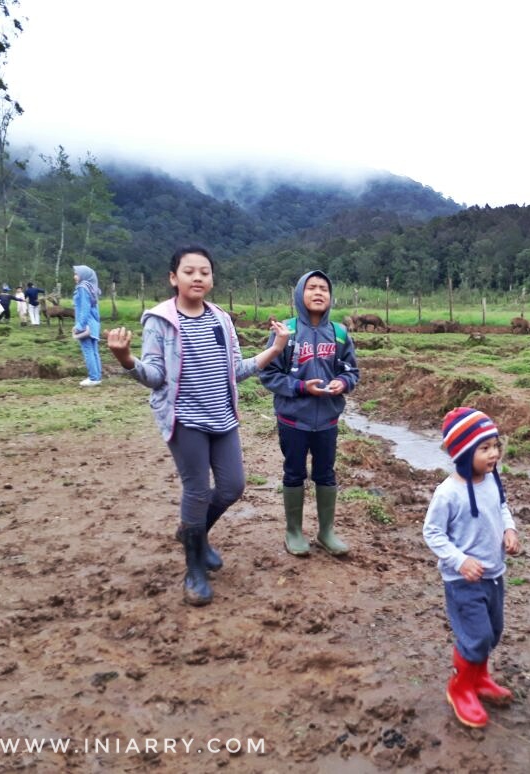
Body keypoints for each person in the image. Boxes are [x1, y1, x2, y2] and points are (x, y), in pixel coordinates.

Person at [106, 246, 289, 606]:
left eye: (204, 272)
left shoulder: (221, 318)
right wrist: (126, 359)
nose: (197, 277)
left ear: (212, 279)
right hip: (185, 420)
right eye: (189, 271)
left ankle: (194, 533)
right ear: (174, 278)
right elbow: (156, 376)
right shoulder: (159, 320)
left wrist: (276, 348)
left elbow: (236, 369)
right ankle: (194, 569)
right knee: (197, 491)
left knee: (233, 486)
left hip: (222, 417)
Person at [423, 407, 521, 729]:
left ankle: (479, 679)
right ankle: (460, 686)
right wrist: (459, 560)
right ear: (464, 451)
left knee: (492, 632)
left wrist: (509, 530)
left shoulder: (492, 479)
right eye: (485, 448)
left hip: (494, 575)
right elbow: (432, 533)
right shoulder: (447, 493)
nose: (494, 453)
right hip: (463, 580)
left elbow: (502, 507)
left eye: (495, 445)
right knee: (475, 635)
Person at [259, 270, 359, 558]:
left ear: (330, 296)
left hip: (327, 419)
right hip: (293, 420)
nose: (318, 293)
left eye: (324, 288)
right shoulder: (285, 331)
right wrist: (302, 387)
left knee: (326, 473)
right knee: (294, 472)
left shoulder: (339, 333)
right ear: (299, 294)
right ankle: (294, 531)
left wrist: (344, 382)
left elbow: (351, 370)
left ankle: (326, 531)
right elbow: (269, 374)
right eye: (312, 288)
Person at [72, 265, 104, 387]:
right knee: (94, 351)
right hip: (94, 323)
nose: (74, 276)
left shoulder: (82, 288)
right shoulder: (92, 288)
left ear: (84, 275)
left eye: (77, 274)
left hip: (86, 324)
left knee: (88, 350)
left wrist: (80, 325)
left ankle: (93, 378)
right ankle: (97, 376)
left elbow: (84, 308)